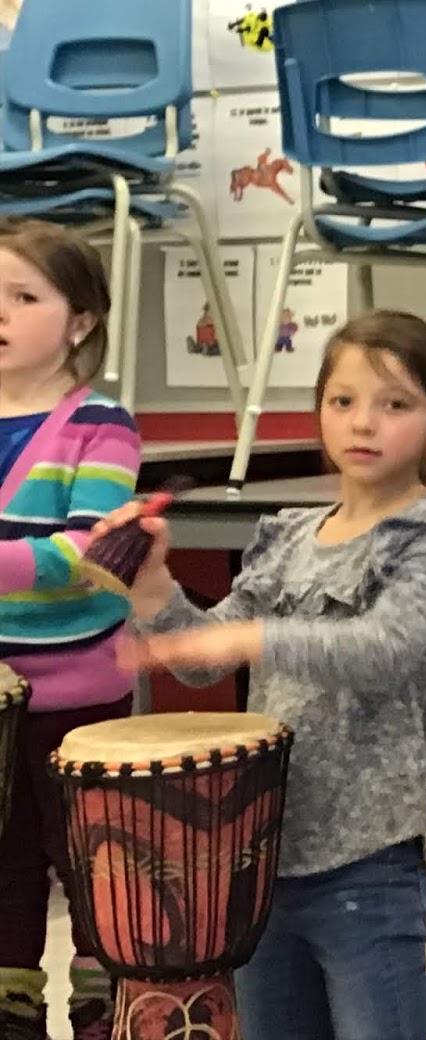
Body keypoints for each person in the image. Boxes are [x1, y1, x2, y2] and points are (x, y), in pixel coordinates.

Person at [99, 310, 426, 1040]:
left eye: (394, 404)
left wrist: (254, 636)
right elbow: (209, 659)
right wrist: (154, 591)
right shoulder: (287, 537)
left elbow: (382, 650)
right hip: (263, 853)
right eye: (342, 402)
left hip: (368, 861)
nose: (363, 423)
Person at [0, 222, 138, 1040]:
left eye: (24, 297)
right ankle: (13, 1001)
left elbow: (92, 548)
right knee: (5, 860)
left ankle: (102, 1001)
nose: (2, 313)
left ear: (81, 320)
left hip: (73, 692)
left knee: (90, 861)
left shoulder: (101, 422)